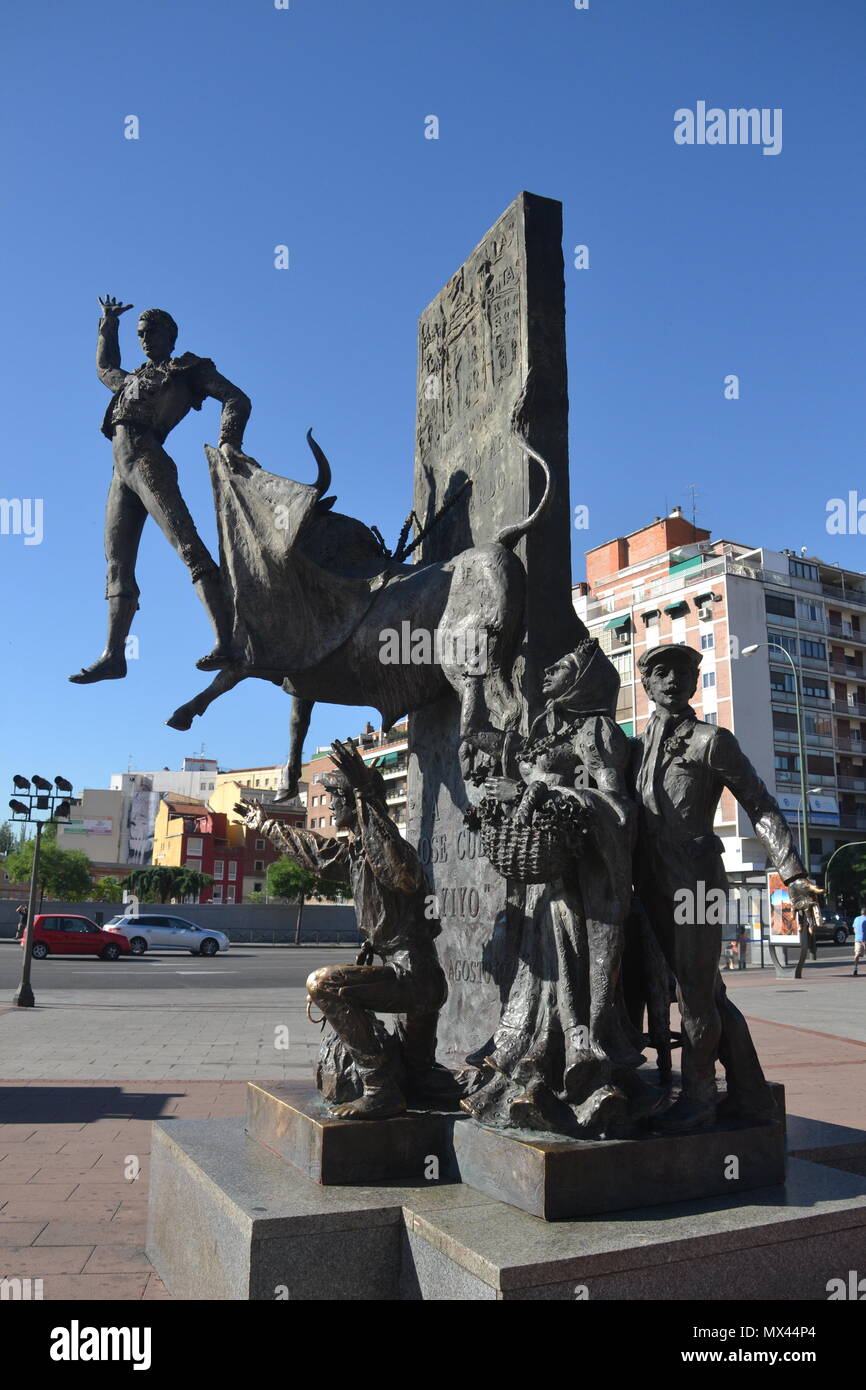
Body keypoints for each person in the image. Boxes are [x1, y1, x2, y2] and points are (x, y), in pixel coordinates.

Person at [458, 637, 656, 1139]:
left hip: (576, 883)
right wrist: (474, 682)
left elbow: (616, 808)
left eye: (561, 665)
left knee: (566, 976)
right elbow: (477, 735)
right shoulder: (546, 730)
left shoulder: (597, 731)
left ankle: (582, 1077)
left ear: (585, 679)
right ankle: (528, 1067)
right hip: (541, 880)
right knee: (536, 977)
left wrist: (533, 792)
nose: (547, 671)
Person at [632, 643, 822, 1130]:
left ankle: (698, 1101)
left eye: (682, 671)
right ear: (646, 685)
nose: (672, 680)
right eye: (661, 672)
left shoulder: (711, 741)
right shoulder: (635, 744)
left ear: (695, 682)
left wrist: (794, 874)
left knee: (696, 995)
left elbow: (758, 803)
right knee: (708, 994)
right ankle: (752, 1094)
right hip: (650, 883)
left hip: (698, 882)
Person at [236, 739, 454, 1119]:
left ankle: (378, 1087)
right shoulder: (355, 855)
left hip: (414, 977)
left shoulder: (393, 852)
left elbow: (397, 873)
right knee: (418, 1074)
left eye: (336, 798)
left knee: (324, 984)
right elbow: (316, 853)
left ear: (353, 803)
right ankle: (399, 1085)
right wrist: (267, 825)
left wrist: (367, 794)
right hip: (404, 972)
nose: (332, 806)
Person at [69, 296, 255, 685]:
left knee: (187, 544)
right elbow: (104, 368)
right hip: (121, 469)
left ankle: (226, 639)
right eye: (139, 333)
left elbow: (237, 397)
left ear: (171, 335)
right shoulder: (132, 378)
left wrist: (228, 440)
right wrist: (108, 324)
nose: (144, 339)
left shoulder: (189, 369)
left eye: (151, 331)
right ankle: (114, 655)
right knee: (117, 565)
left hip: (148, 458)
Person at [852, 905, 866, 977]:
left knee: (857, 954)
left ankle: (855, 969)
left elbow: (854, 929)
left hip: (858, 939)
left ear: (861, 913)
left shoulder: (856, 918)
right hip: (865, 939)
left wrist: (858, 935)